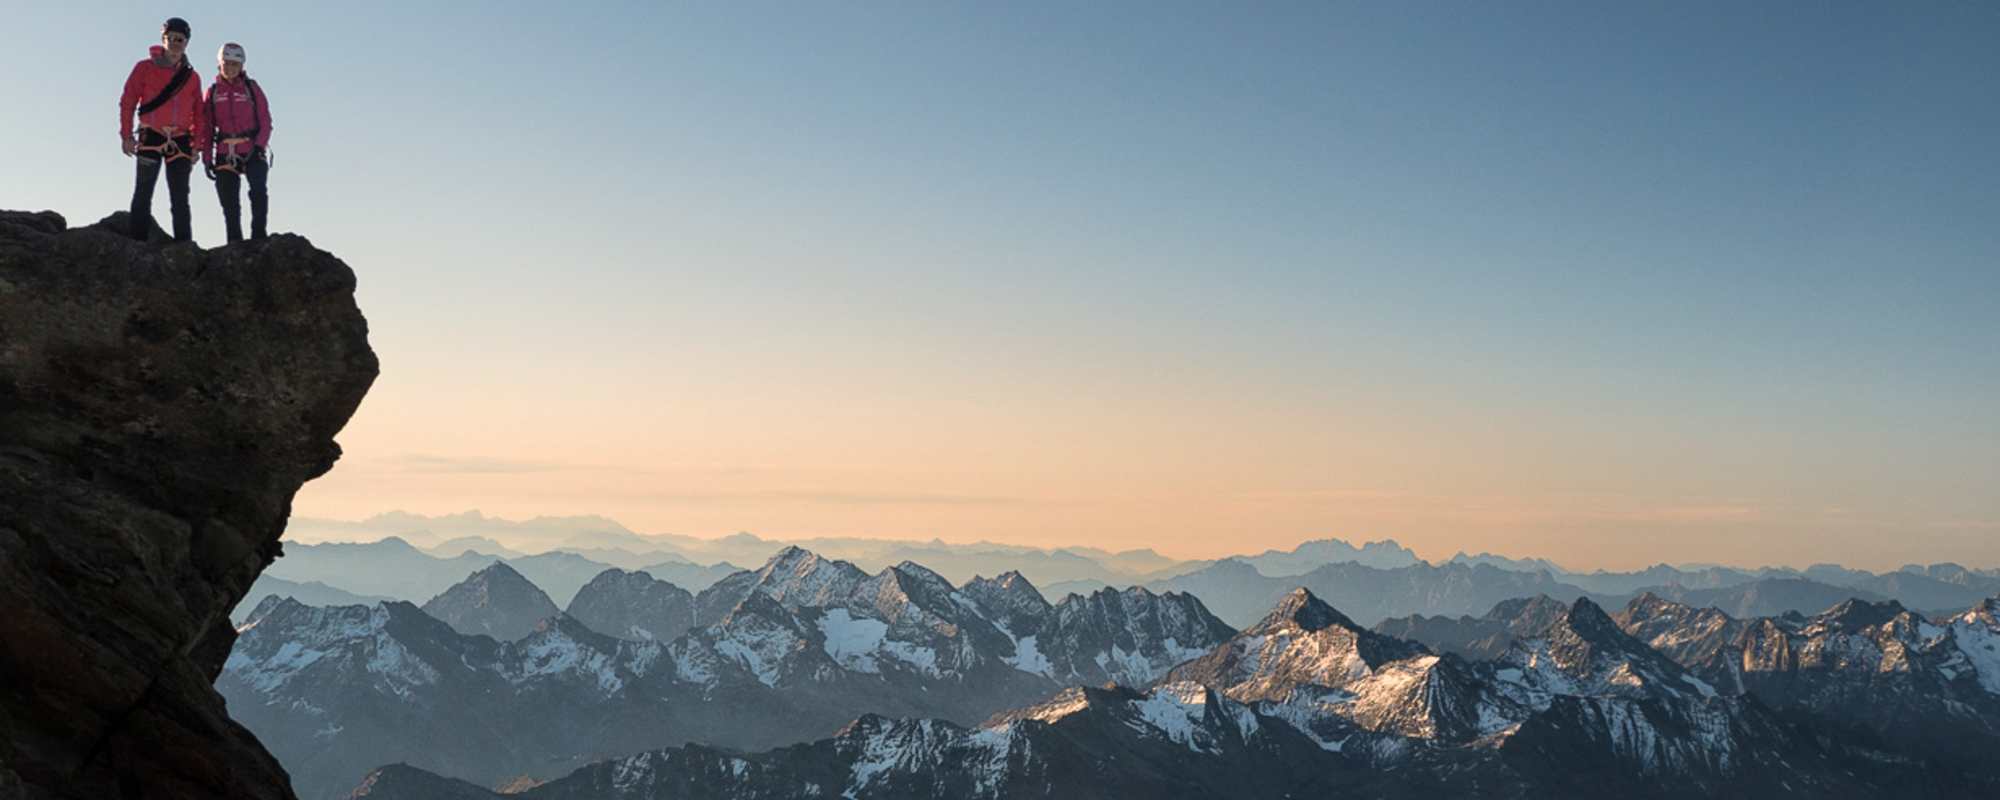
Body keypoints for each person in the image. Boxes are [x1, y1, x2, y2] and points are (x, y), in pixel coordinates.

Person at [119, 17, 208, 242]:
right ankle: (136, 246)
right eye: (171, 38)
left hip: (180, 140)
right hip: (150, 134)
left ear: (186, 42)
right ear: (163, 39)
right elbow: (128, 101)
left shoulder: (192, 77)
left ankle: (184, 249)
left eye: (181, 39)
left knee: (180, 198)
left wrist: (197, 146)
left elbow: (199, 113)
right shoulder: (144, 68)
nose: (176, 43)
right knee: (143, 192)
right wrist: (126, 135)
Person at [203, 42, 272, 243]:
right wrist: (207, 158)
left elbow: (266, 120)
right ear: (219, 64)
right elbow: (207, 128)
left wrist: (259, 147)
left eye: (235, 64)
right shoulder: (213, 91)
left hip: (252, 149)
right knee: (229, 203)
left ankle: (259, 237)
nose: (230, 68)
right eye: (226, 63)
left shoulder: (252, 88)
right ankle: (234, 244)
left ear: (242, 66)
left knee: (258, 192)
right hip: (225, 152)